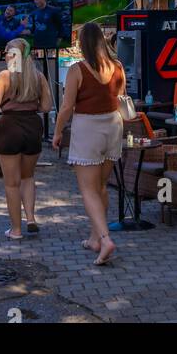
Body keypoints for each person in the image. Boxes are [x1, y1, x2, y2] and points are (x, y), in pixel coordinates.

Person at [51, 21, 125, 266]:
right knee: (101, 186)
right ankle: (95, 238)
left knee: (88, 189)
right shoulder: (118, 67)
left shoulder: (77, 70)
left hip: (88, 128)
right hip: (113, 126)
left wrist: (57, 132)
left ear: (82, 44)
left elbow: (66, 107)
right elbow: (121, 98)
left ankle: (105, 239)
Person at [0, 37, 54, 238]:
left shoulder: (4, 76)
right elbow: (46, 107)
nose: (5, 55)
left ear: (13, 55)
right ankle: (31, 218)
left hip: (9, 126)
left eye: (7, 52)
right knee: (28, 176)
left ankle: (16, 229)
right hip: (33, 126)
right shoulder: (38, 77)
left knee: (11, 182)